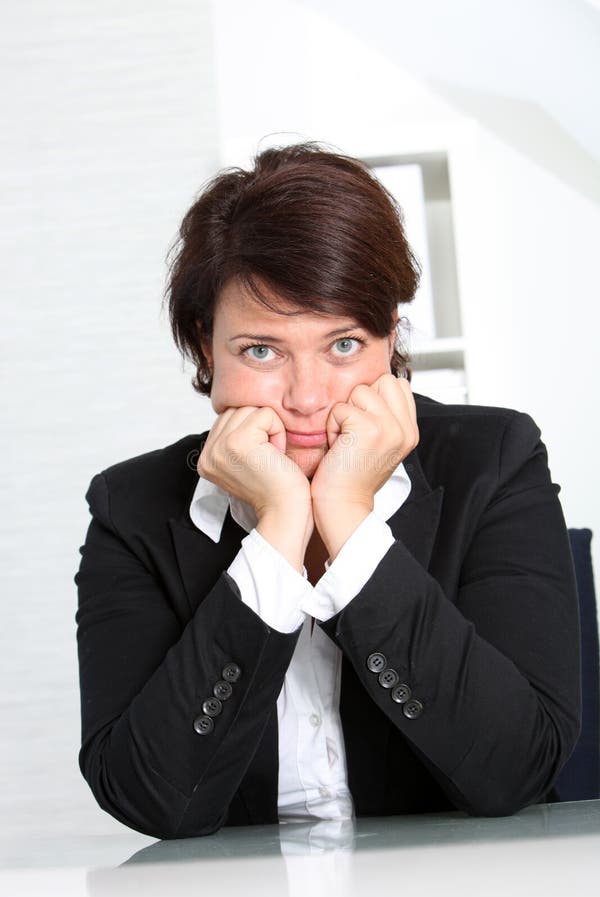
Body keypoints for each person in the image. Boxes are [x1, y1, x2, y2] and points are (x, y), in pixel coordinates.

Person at [75, 142, 581, 840]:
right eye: (261, 350)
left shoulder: (494, 461)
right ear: (204, 347)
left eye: (343, 345)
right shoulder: (131, 508)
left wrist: (346, 518)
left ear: (391, 337)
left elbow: (516, 770)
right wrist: (279, 532)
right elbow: (151, 800)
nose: (307, 398)